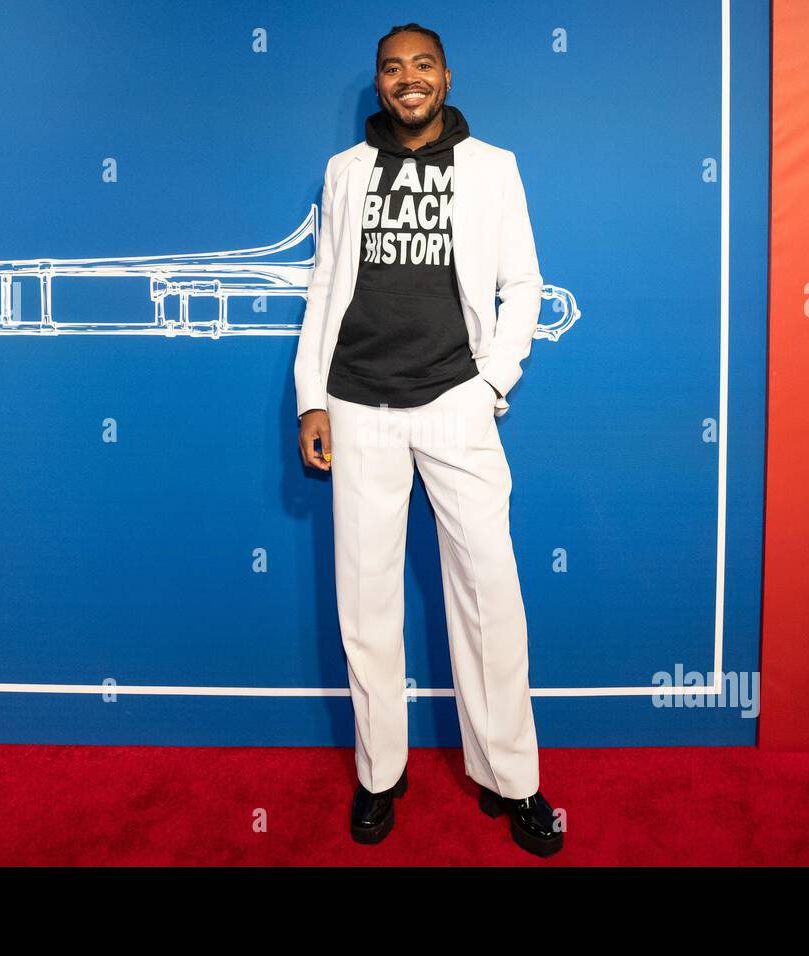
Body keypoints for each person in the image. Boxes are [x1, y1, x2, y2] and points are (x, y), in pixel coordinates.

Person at [293, 22, 562, 858]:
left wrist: (492, 384)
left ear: (445, 76)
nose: (406, 79)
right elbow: (324, 286)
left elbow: (523, 285)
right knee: (366, 601)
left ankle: (510, 778)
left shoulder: (494, 169)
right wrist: (313, 399)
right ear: (379, 83)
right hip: (360, 407)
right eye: (391, 67)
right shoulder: (344, 174)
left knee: (490, 597)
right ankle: (381, 775)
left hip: (456, 401)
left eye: (421, 65)